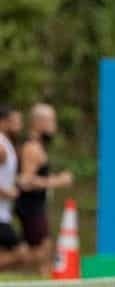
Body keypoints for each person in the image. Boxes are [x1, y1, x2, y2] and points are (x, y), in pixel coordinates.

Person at [16, 103, 73, 274]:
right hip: (30, 208)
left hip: (37, 206)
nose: (54, 126)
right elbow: (24, 181)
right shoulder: (32, 148)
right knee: (39, 252)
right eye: (51, 121)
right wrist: (58, 181)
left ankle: (46, 284)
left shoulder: (38, 146)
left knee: (44, 251)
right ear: (39, 122)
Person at [0, 105, 23, 269]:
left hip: (4, 212)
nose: (19, 125)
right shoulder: (1, 146)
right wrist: (6, 191)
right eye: (15, 121)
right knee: (21, 253)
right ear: (3, 122)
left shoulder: (7, 144)